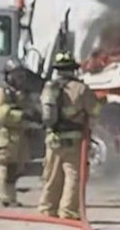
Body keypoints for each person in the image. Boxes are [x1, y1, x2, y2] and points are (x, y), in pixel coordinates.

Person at [38, 51, 102, 220]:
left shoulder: (49, 88)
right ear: (73, 70)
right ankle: (68, 212)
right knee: (74, 176)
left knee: (52, 175)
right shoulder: (81, 89)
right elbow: (95, 111)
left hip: (52, 139)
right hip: (74, 141)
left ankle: (47, 209)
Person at [0, 58, 42, 207]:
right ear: (7, 76)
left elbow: (30, 107)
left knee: (19, 167)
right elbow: (2, 114)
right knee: (8, 167)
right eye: (16, 75)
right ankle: (8, 198)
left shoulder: (21, 93)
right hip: (7, 133)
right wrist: (22, 115)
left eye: (21, 75)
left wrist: (35, 115)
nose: (19, 79)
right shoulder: (1, 92)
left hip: (21, 133)